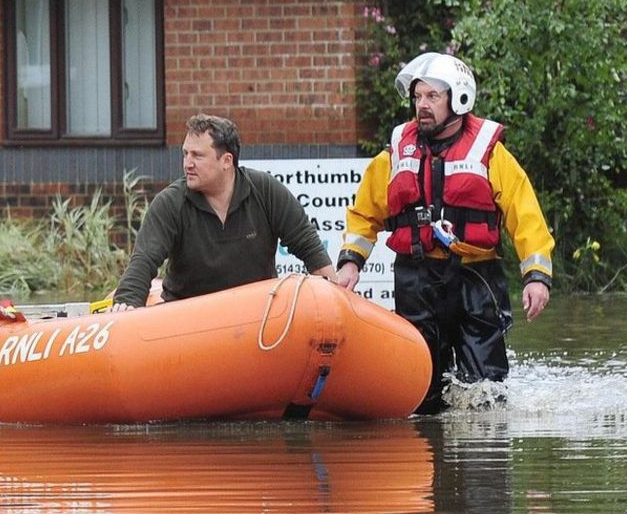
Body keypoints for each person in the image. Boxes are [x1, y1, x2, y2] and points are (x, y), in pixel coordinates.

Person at [336, 52, 555, 414]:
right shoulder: (395, 153)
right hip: (417, 282)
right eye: (418, 97)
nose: (422, 105)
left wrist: (537, 277)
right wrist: (351, 262)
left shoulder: (492, 155)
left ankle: (482, 463)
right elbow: (364, 215)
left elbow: (526, 217)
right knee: (421, 391)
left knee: (484, 395)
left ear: (459, 99)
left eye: (432, 97)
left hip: (475, 280)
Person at [112, 114, 335, 310]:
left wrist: (334, 300)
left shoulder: (265, 191)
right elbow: (144, 260)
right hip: (186, 320)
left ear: (226, 161)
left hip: (258, 317)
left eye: (197, 156)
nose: (187, 163)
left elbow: (310, 248)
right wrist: (126, 304)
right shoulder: (170, 203)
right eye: (185, 154)